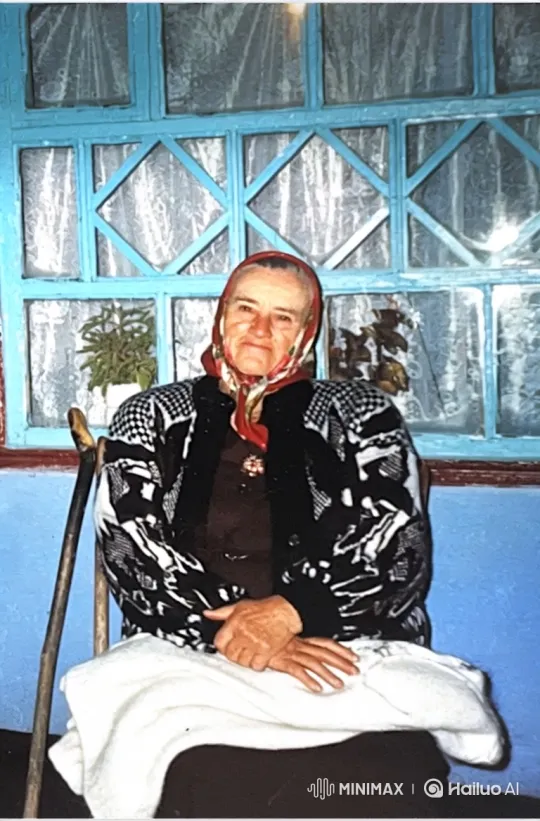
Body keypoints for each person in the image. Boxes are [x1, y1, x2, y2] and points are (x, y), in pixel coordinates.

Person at [94, 250, 445, 817]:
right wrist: (240, 629)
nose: (259, 329)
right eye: (246, 308)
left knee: (381, 771)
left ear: (307, 332)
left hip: (341, 642)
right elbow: (128, 545)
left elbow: (397, 543)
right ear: (220, 314)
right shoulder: (151, 413)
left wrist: (293, 612)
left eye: (283, 317)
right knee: (203, 770)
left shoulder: (359, 411)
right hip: (190, 644)